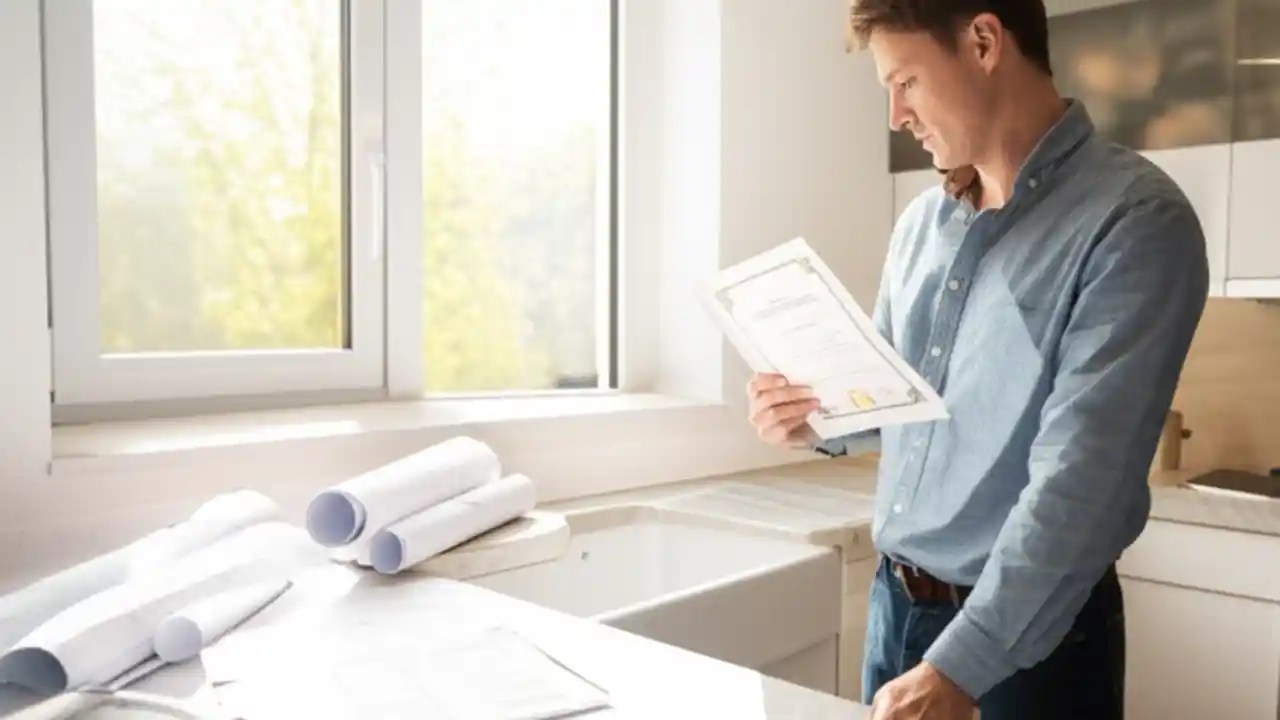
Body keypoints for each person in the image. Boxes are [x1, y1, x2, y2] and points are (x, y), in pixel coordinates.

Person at [747, 2, 1209, 719]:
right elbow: (907, 409)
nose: (896, 114)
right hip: (892, 609)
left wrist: (961, 667)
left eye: (907, 82)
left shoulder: (1133, 222)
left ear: (985, 42)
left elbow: (1082, 485)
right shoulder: (919, 226)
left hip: (1024, 642)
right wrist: (815, 418)